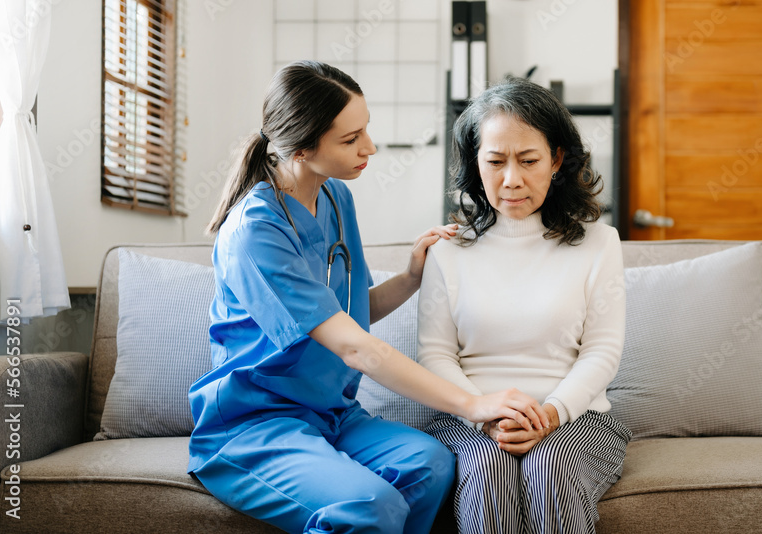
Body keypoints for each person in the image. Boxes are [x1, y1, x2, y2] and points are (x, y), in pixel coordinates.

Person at [187, 61, 549, 534]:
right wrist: (472, 404)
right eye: (350, 139)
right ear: (301, 146)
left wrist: (410, 277)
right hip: (253, 427)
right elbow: (354, 346)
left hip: (331, 414)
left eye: (367, 130)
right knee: (369, 504)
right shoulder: (256, 231)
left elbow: (344, 315)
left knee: (431, 465)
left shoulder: (336, 197)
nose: (370, 147)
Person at [418, 76, 631, 534]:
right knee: (489, 470)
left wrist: (551, 412)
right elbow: (435, 354)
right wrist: (483, 410)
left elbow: (602, 351)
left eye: (528, 160)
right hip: (470, 417)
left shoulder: (600, 243)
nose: (511, 180)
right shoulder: (448, 250)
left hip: (575, 418)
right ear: (476, 164)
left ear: (556, 160)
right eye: (495, 161)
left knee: (549, 468)